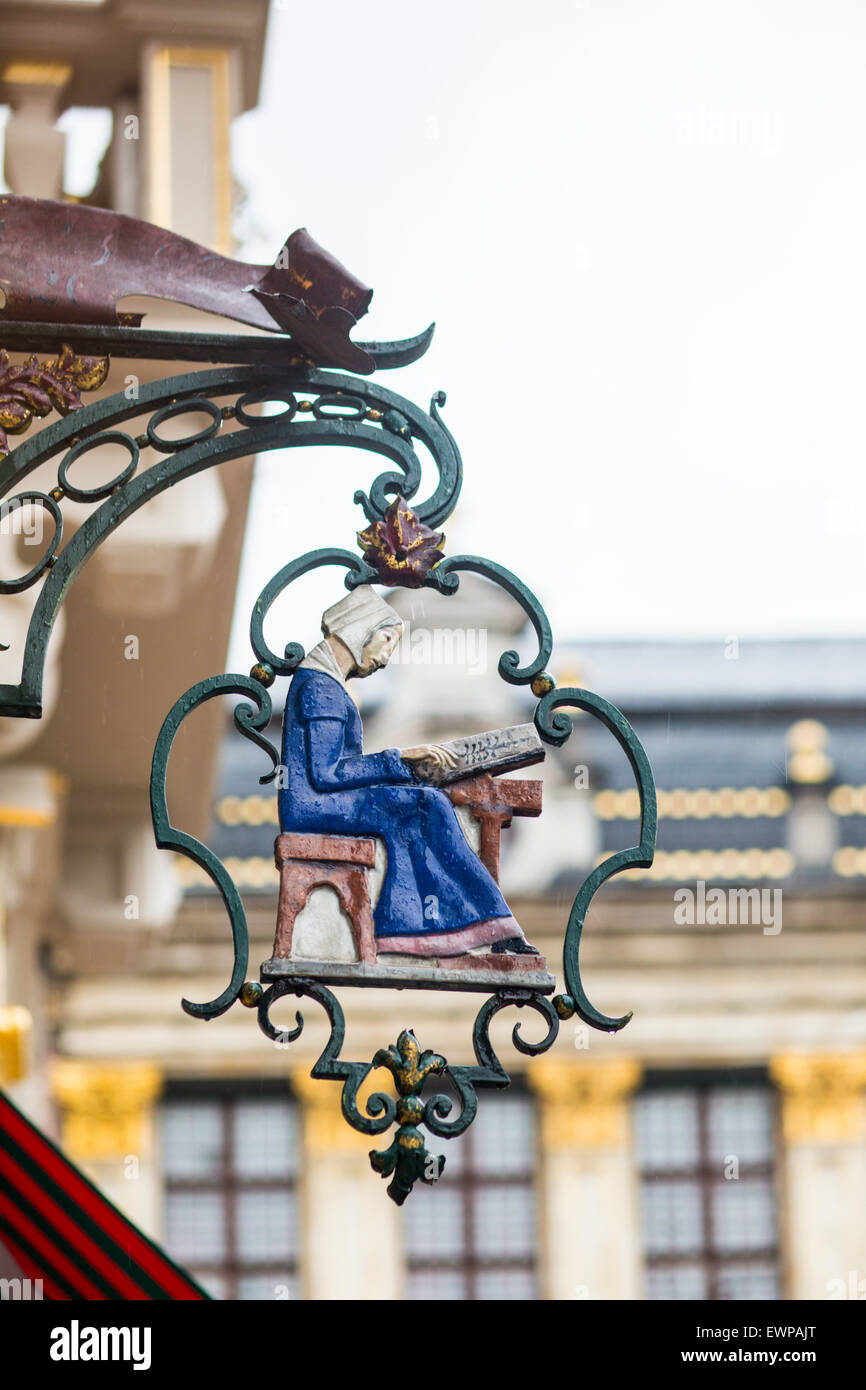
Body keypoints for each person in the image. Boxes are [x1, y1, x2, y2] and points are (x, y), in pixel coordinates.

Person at [278, 586, 538, 956]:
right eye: (384, 641)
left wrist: (401, 766)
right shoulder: (322, 689)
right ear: (357, 632)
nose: (385, 657)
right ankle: (484, 923)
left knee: (422, 804)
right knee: (424, 805)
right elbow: (326, 773)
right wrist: (399, 759)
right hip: (314, 806)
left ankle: (412, 925)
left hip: (325, 801)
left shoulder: (325, 684)